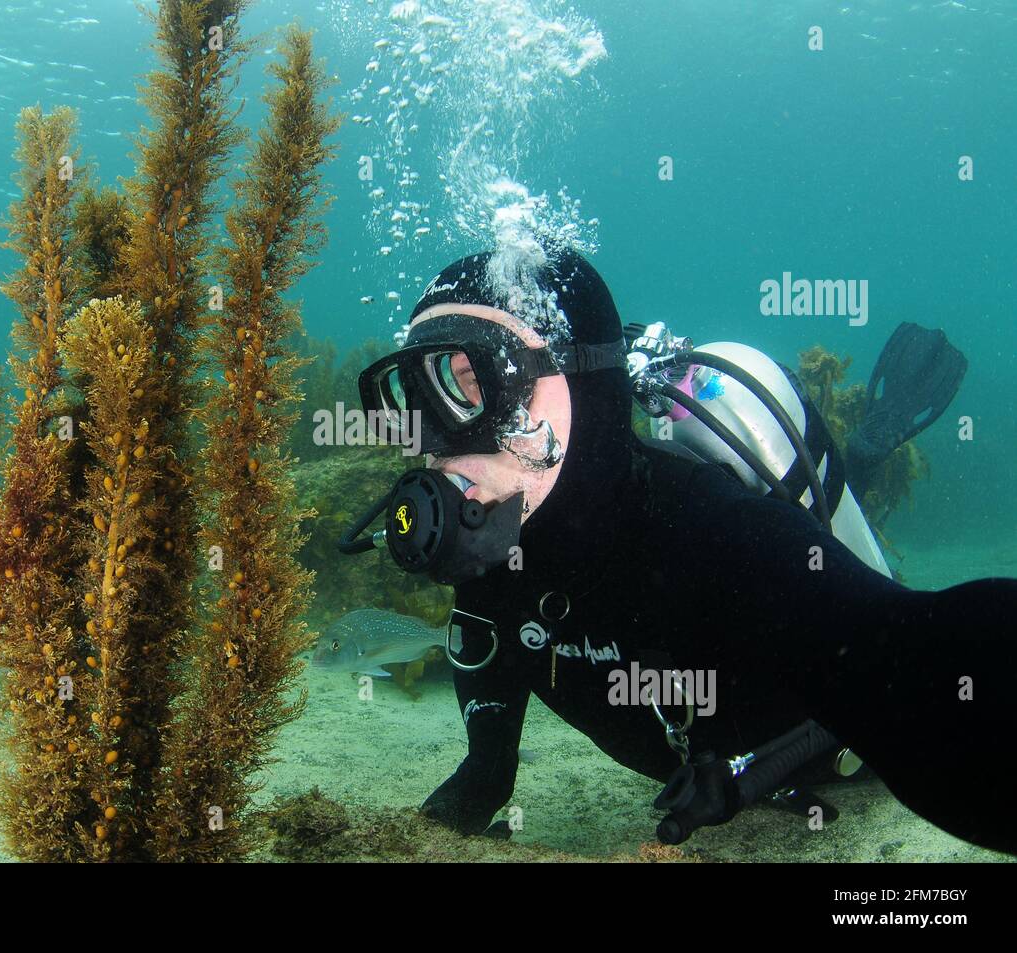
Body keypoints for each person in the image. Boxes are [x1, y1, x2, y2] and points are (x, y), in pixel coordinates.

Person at [340, 248, 1017, 854]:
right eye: (413, 396)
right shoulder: (499, 543)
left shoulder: (712, 528)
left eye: (472, 380)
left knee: (833, 555)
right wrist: (485, 771)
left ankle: (867, 444)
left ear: (587, 383)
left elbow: (908, 656)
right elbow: (485, 640)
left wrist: (763, 768)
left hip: (828, 757)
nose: (437, 439)